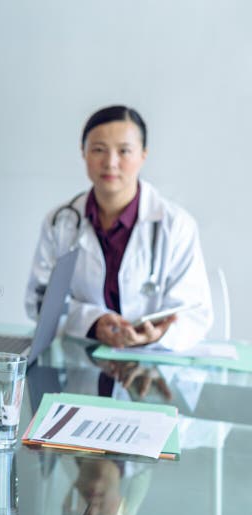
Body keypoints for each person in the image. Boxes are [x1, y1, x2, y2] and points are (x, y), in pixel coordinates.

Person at [25, 105, 212, 351]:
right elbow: (39, 300)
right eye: (99, 150)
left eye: (124, 151)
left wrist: (157, 335)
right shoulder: (60, 222)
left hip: (153, 363)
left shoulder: (176, 225)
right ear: (83, 153)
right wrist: (93, 323)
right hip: (83, 359)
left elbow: (195, 312)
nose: (111, 163)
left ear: (143, 155)